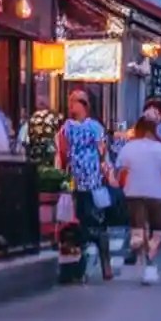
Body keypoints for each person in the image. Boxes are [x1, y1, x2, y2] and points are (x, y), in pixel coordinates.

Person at [56, 90, 112, 280]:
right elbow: (63, 150)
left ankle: (105, 263)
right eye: (70, 100)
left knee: (96, 220)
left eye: (75, 101)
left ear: (84, 104)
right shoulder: (66, 127)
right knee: (77, 220)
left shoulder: (95, 127)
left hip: (92, 177)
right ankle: (79, 263)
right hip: (75, 178)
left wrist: (104, 171)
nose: (71, 105)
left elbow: (102, 150)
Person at [116, 115, 161, 285]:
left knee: (138, 228)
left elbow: (121, 169)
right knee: (157, 231)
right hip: (156, 193)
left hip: (133, 193)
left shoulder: (128, 147)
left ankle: (138, 247)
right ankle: (149, 261)